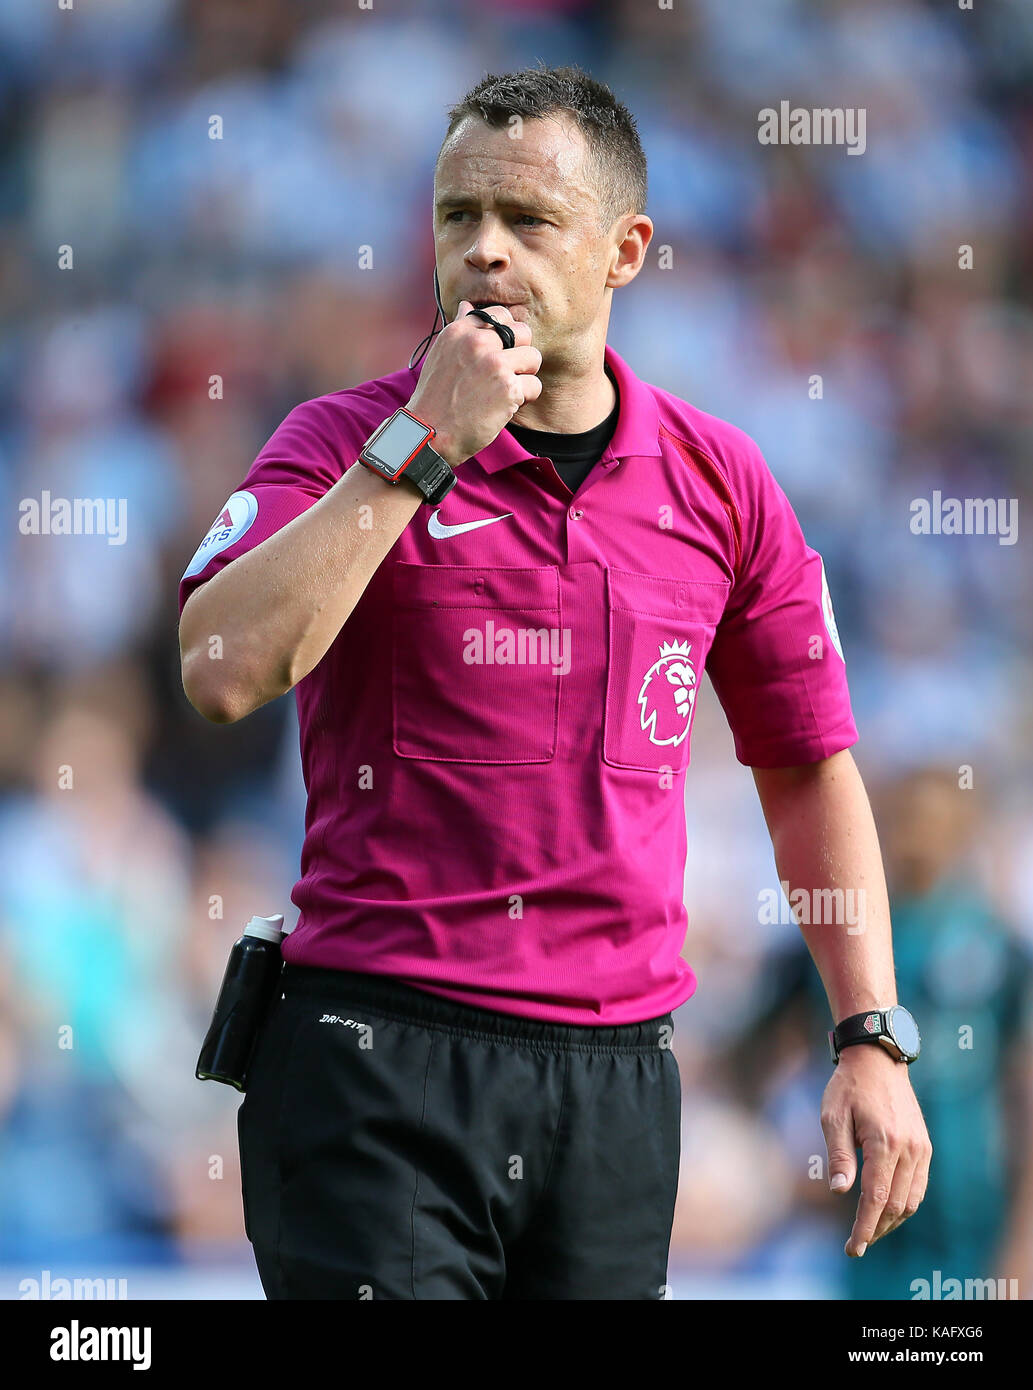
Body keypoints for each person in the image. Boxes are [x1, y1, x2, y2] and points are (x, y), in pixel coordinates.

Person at [177, 64, 931, 1300]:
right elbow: (218, 672)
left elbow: (805, 769)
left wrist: (869, 1031)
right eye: (457, 216)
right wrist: (420, 447)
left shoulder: (720, 482)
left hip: (616, 1083)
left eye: (526, 222)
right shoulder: (335, 442)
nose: (483, 252)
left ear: (625, 248)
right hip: (374, 1057)